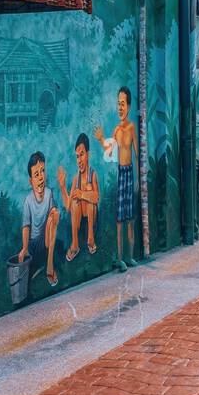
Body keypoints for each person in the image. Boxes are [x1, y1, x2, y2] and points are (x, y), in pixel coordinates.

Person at [95, 86, 139, 271]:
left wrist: (137, 178)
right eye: (118, 104)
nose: (120, 107)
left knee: (130, 219)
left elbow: (137, 154)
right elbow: (109, 150)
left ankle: (129, 256)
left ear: (128, 106)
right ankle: (120, 258)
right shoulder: (116, 130)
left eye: (123, 104)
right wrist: (99, 139)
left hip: (130, 173)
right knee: (120, 219)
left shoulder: (131, 128)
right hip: (121, 174)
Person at [18, 151, 60, 287]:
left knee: (54, 215)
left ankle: (49, 266)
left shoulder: (49, 193)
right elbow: (26, 226)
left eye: (43, 171)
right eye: (36, 174)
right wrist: (24, 248)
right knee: (52, 218)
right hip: (34, 244)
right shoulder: (28, 201)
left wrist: (54, 212)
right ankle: (46, 266)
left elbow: (53, 212)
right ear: (31, 181)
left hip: (46, 239)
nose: (41, 177)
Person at [59, 133, 100, 262]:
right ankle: (75, 244)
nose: (79, 160)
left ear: (88, 154)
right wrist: (63, 187)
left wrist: (82, 194)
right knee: (75, 201)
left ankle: (90, 238)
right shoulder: (76, 179)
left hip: (91, 217)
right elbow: (68, 206)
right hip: (79, 218)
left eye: (82, 155)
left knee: (89, 196)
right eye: (77, 156)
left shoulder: (92, 174)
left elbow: (97, 197)